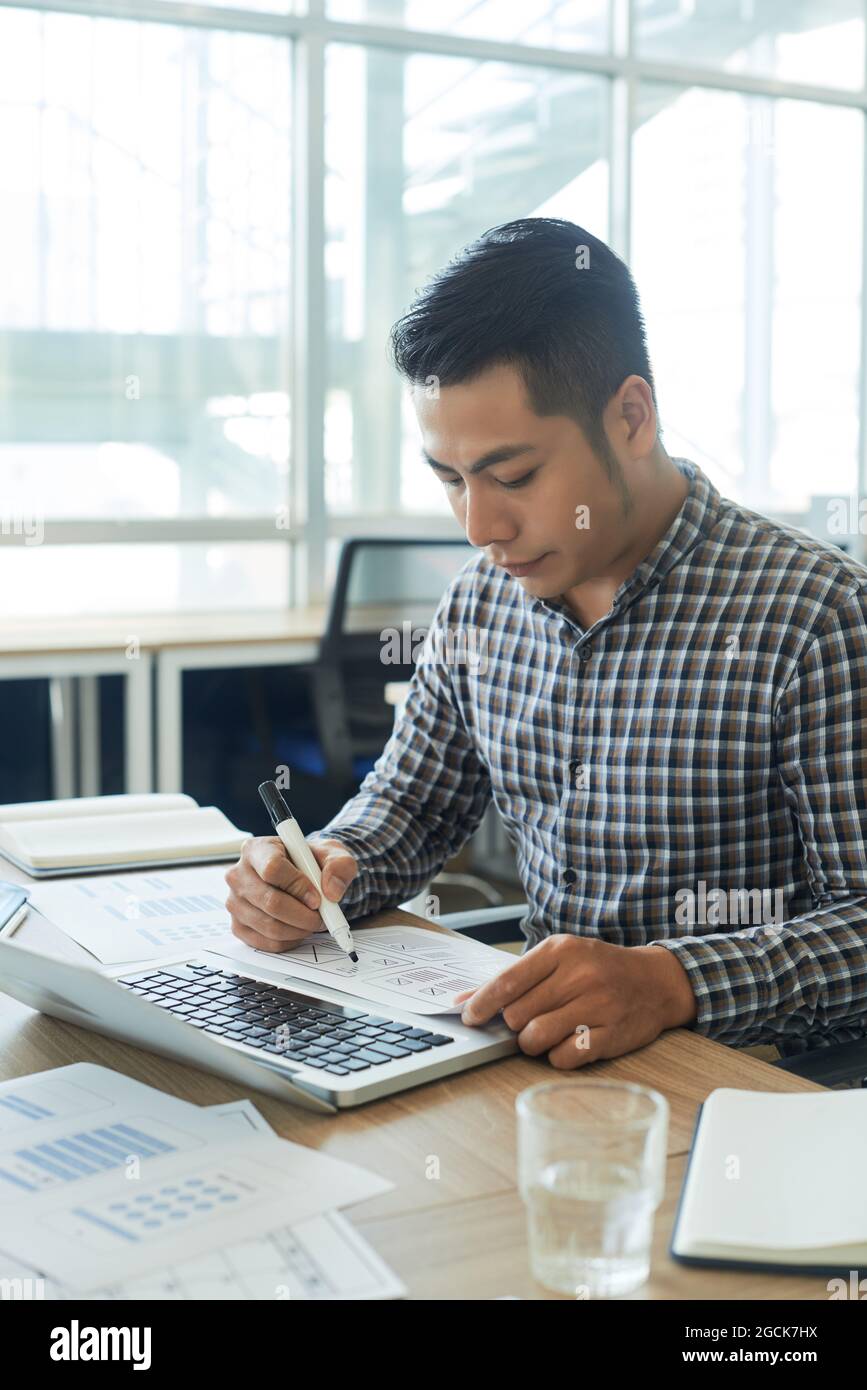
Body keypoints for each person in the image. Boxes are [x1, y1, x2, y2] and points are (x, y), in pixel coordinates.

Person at [226, 217, 867, 1070]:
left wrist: (671, 979)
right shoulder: (480, 603)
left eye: (514, 476)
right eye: (449, 480)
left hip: (746, 1087)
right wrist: (324, 870)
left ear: (631, 416)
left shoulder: (814, 615)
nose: (481, 526)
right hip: (536, 1066)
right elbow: (411, 807)